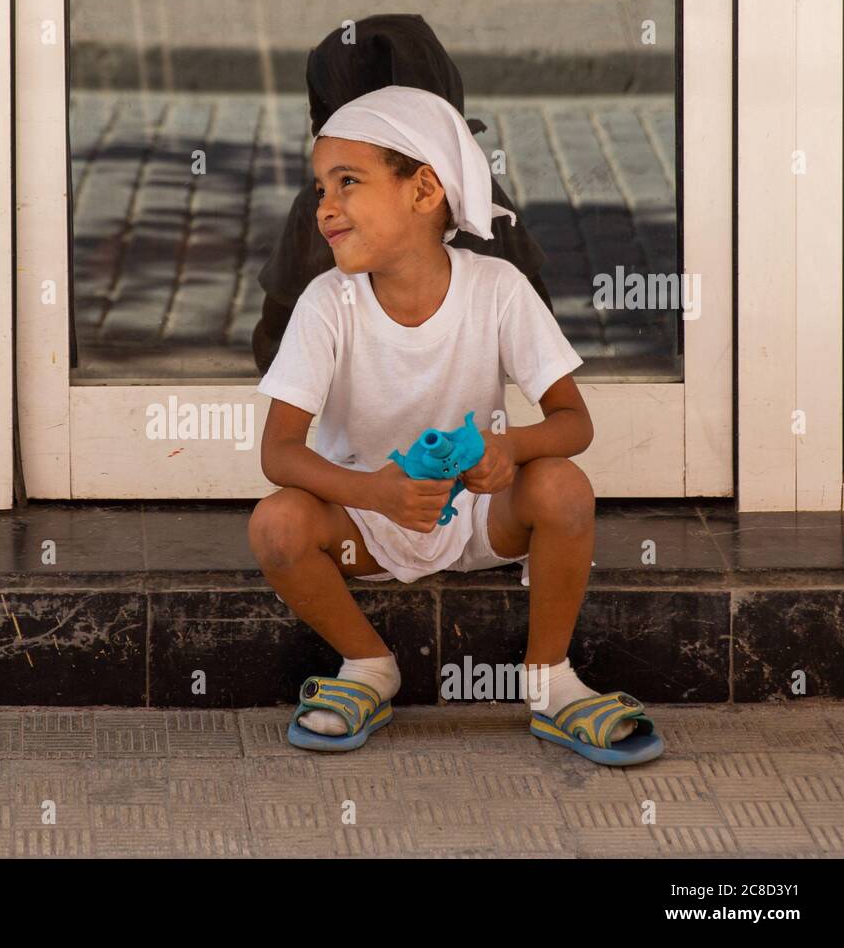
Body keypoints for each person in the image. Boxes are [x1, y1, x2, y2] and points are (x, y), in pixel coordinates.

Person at [248, 86, 663, 765]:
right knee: (276, 524)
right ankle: (368, 667)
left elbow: (573, 422)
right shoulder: (328, 303)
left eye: (347, 182)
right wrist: (372, 492)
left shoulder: (497, 289)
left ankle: (551, 683)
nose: (325, 205)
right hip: (366, 528)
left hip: (479, 519)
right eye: (320, 185)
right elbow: (279, 453)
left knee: (562, 487)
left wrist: (512, 448)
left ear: (424, 189)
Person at [253, 13, 554, 375]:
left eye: (326, 110)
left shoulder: (319, 206)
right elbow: (540, 325)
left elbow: (274, 334)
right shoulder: (480, 193)